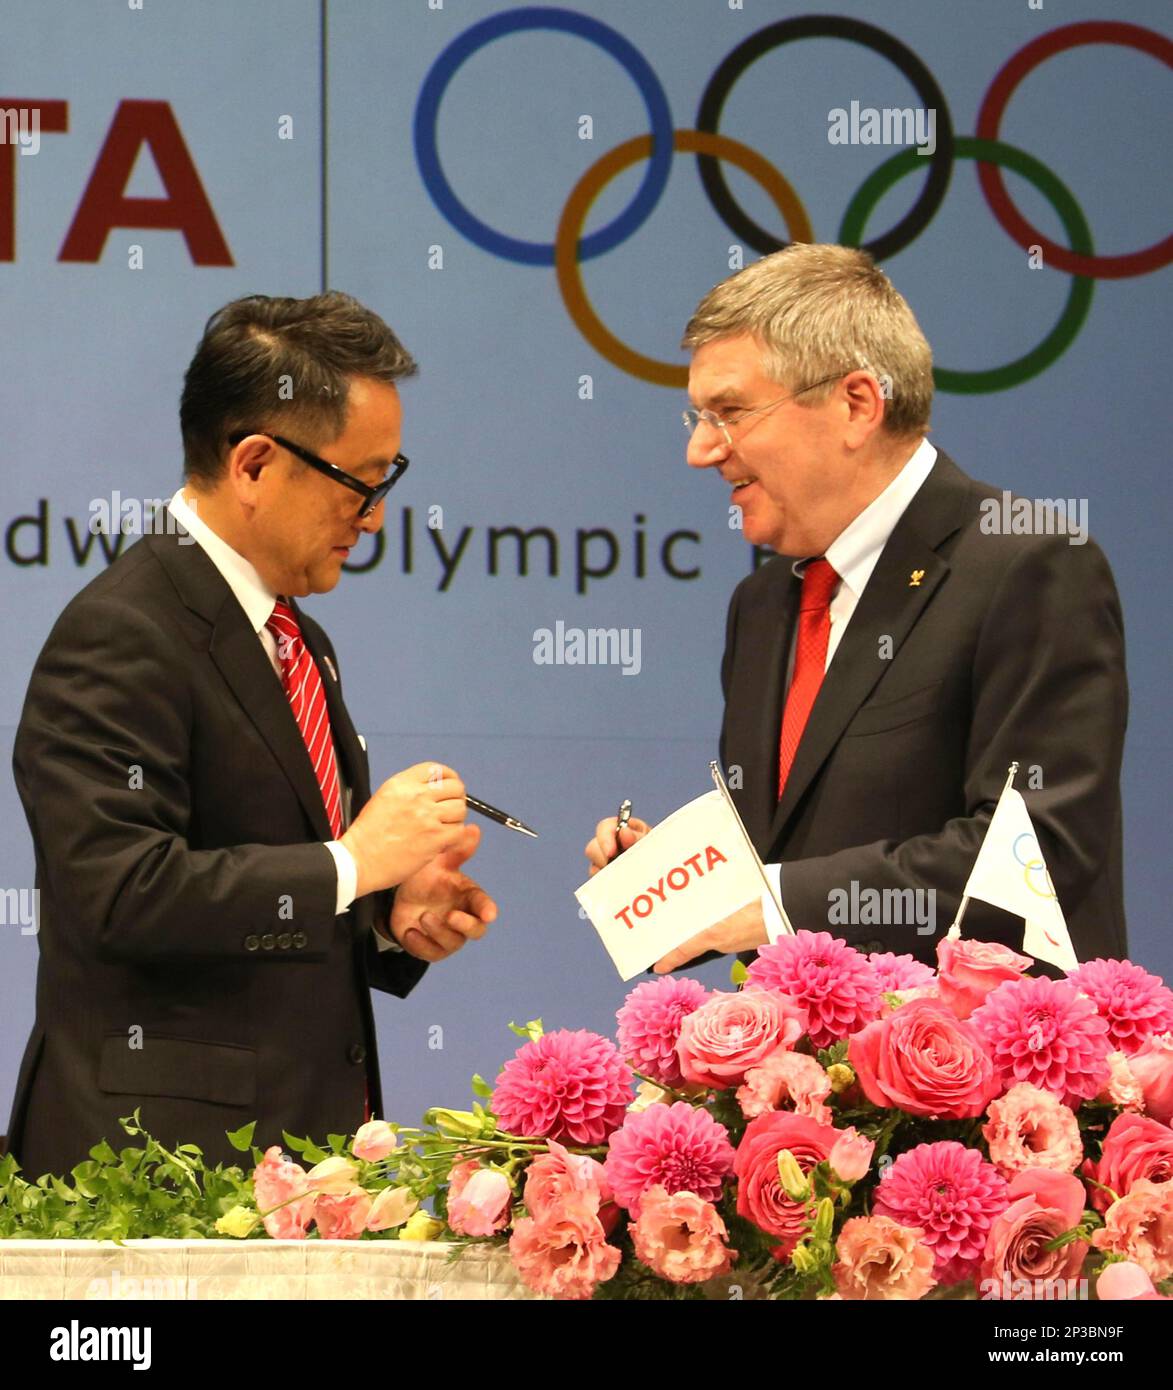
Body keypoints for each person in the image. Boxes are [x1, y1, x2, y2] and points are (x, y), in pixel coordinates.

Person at [7, 292, 497, 1177]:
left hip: (301, 1166)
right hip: (155, 1174)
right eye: (362, 480)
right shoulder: (122, 630)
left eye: (391, 479)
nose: (376, 514)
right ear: (256, 464)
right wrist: (352, 863)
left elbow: (266, 884)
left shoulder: (297, 638)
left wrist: (387, 912)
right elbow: (117, 894)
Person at [586, 244, 1127, 973]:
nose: (701, 450)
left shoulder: (1028, 561)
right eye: (698, 416)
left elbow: (1034, 855)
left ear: (855, 404)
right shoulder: (764, 603)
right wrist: (679, 884)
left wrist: (770, 897)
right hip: (811, 1075)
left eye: (730, 412)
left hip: (995, 1071)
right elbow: (785, 852)